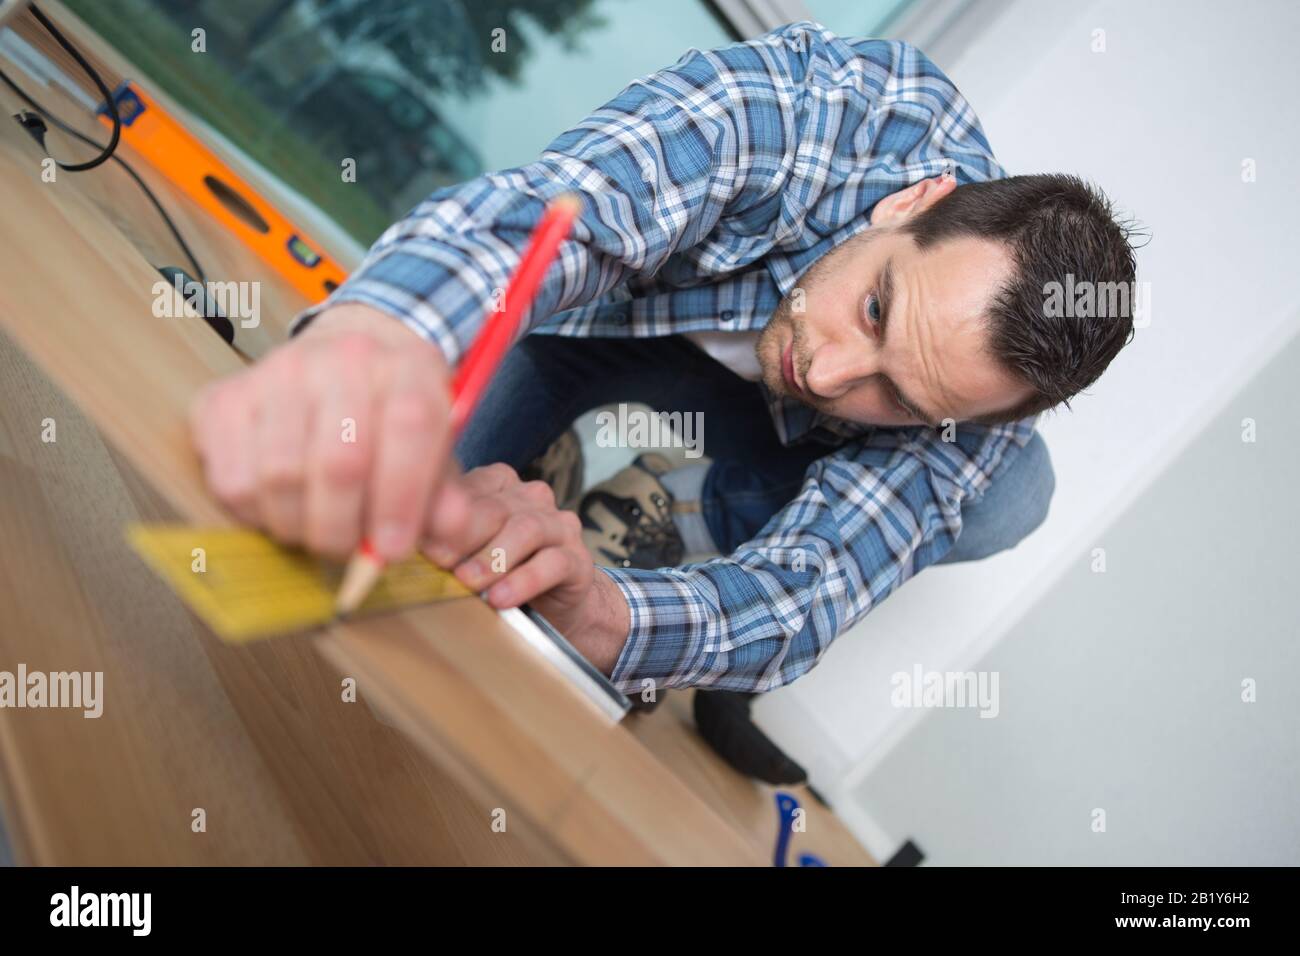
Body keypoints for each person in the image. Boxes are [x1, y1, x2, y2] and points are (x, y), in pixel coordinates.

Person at [190, 22, 1136, 703]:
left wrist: (604, 615)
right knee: (387, 521)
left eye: (900, 391)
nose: (836, 371)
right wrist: (374, 344)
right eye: (877, 308)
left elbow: (800, 593)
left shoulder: (973, 423)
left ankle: (699, 540)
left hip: (786, 448)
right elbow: (560, 215)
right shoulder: (824, 111)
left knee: (1013, 497)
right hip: (617, 321)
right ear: (914, 202)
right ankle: (600, 477)